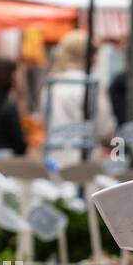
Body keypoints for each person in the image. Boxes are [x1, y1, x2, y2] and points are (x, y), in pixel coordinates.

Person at [42, 29, 115, 166]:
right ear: (85, 56)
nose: (96, 59)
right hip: (84, 163)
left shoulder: (52, 84)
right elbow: (105, 128)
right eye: (94, 54)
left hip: (54, 159)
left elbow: (46, 122)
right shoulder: (90, 85)